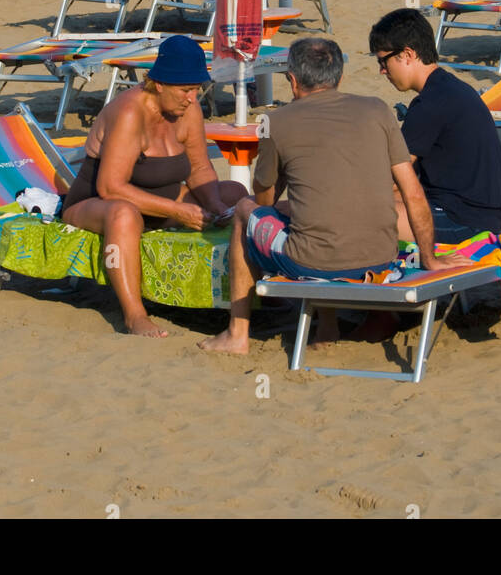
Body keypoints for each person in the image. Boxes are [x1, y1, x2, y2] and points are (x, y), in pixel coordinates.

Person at [199, 36, 465, 356]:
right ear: (340, 78)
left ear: (293, 81)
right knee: (315, 210)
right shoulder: (378, 110)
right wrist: (430, 258)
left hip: (313, 263)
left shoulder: (276, 122)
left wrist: (283, 174)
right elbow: (414, 194)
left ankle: (236, 335)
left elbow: (264, 200)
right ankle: (327, 327)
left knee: (245, 209)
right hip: (380, 258)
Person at [62, 36, 247, 338]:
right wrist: (179, 211)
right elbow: (110, 187)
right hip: (95, 204)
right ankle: (134, 314)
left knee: (235, 195)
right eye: (185, 90)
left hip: (160, 203)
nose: (192, 97)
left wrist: (215, 205)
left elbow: (200, 169)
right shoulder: (129, 113)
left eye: (196, 89)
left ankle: (243, 295)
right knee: (124, 214)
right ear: (159, 84)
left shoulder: (189, 110)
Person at [369, 8, 501, 244]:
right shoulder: (450, 88)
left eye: (383, 60)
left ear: (407, 54)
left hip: (463, 221)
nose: (382, 70)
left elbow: (390, 177)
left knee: (355, 212)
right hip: (476, 211)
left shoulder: (429, 105)